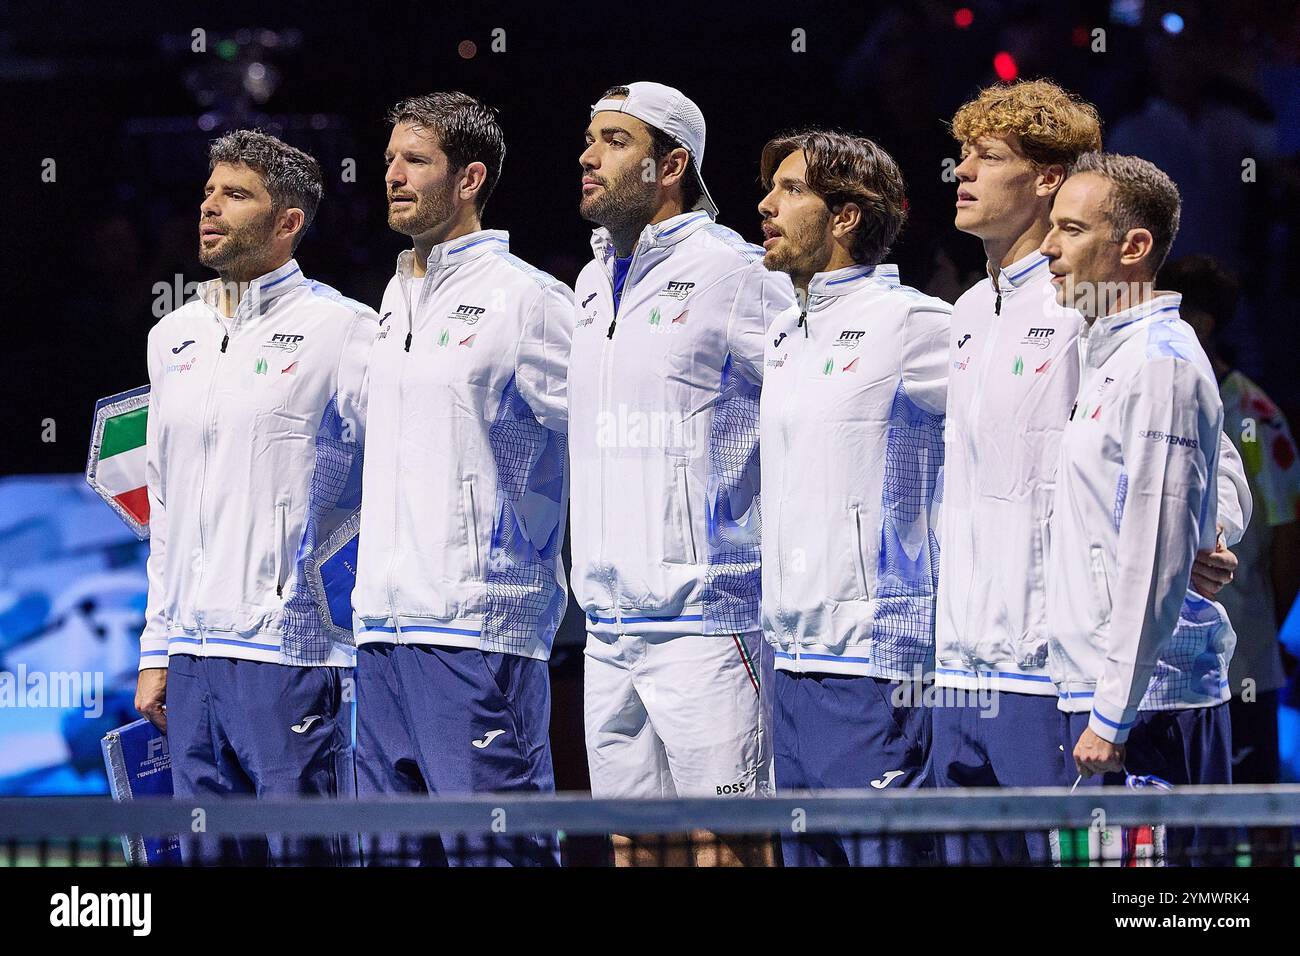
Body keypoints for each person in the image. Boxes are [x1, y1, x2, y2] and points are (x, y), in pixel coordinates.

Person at [934, 80, 1251, 865]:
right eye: (960, 153)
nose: (961, 171)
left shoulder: (1094, 308)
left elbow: (1214, 467)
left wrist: (1196, 537)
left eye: (987, 155)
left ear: (1047, 179)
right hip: (962, 669)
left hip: (1060, 678)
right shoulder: (968, 312)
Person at [133, 130, 377, 865]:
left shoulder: (346, 331)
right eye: (209, 191)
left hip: (291, 654)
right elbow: (166, 505)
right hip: (193, 659)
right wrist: (158, 644)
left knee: (301, 858)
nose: (210, 207)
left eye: (235, 194)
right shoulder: (172, 335)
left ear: (287, 224)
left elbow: (393, 484)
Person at [568, 81, 796, 866]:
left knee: (727, 844)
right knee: (635, 848)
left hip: (707, 622)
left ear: (671, 165)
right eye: (589, 138)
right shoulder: (590, 282)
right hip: (606, 624)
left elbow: (809, 413)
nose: (587, 156)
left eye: (613, 141)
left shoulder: (737, 272)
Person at [350, 92, 573, 866]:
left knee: (498, 857)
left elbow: (613, 441)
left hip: (479, 632)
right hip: (380, 633)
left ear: (470, 177)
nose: (393, 176)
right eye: (388, 161)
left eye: (416, 160)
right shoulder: (391, 299)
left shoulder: (530, 301)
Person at [755, 129, 948, 866]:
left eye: (791, 189)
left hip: (874, 665)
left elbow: (1060, 399)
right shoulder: (783, 331)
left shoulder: (913, 325)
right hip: (790, 664)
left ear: (845, 217)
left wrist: (1213, 514)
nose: (766, 203)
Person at [1043, 153, 1237, 863]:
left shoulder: (1161, 361)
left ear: (1133, 247)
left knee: (1158, 914)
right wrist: (1210, 532)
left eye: (1069, 229)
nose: (1048, 248)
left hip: (1150, 709)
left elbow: (1155, 555)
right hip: (1111, 699)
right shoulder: (1109, 353)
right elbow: (1218, 483)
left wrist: (1113, 712)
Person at [1159, 256, 1300, 789]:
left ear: (1202, 324)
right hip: (1166, 662)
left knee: (1253, 818)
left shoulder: (1250, 412)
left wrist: (1275, 630)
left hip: (1243, 662)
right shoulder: (1150, 386)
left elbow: (1289, 530)